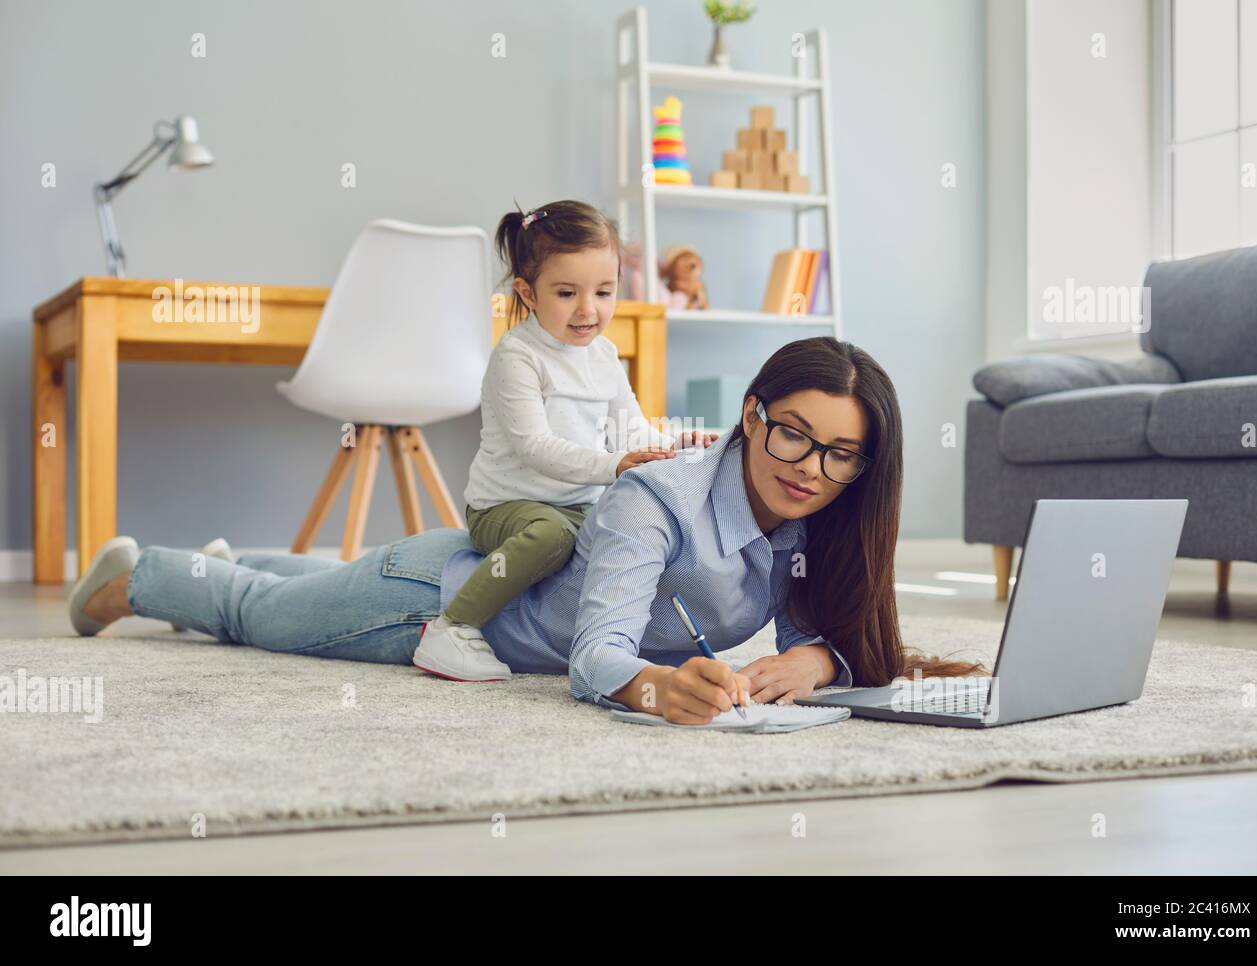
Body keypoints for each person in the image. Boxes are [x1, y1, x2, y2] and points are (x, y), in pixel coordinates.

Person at [69, 337, 989, 725]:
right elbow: (596, 659)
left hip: (460, 576)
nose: (810, 469)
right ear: (752, 415)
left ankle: (245, 566)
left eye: (840, 455)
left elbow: (814, 637)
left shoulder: (808, 515)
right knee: (258, 620)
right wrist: (657, 691)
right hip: (435, 600)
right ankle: (141, 574)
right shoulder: (653, 502)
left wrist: (817, 662)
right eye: (792, 433)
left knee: (299, 589)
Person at [419, 199, 715, 682]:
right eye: (566, 293)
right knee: (552, 535)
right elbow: (534, 447)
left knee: (635, 527)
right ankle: (451, 627)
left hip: (578, 504)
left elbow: (631, 431)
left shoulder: (603, 356)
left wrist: (680, 442)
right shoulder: (518, 356)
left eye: (603, 291)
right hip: (507, 504)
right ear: (528, 293)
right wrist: (613, 465)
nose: (588, 309)